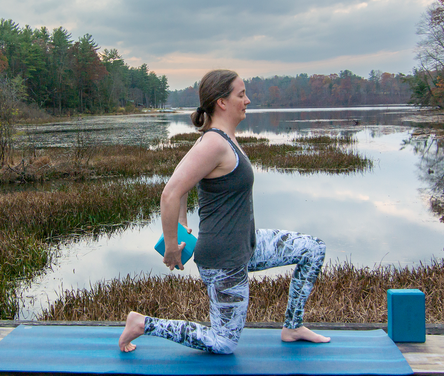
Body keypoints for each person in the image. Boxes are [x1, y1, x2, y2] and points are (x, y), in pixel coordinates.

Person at [119, 69, 330, 354]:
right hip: (223, 261)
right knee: (224, 343)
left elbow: (182, 183)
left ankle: (292, 327)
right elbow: (170, 193)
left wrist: (183, 225)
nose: (248, 100)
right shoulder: (214, 143)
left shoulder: (223, 139)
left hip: (246, 244)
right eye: (241, 94)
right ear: (222, 102)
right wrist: (171, 245)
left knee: (312, 249)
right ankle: (142, 323)